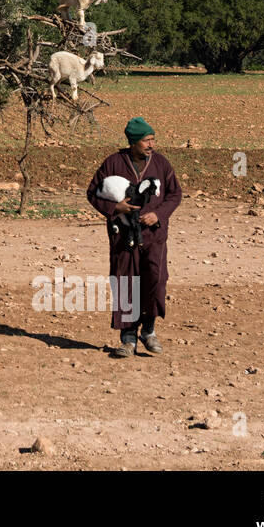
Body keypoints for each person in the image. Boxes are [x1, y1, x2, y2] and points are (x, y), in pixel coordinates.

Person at [85, 117, 182, 358]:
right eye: (146, 140)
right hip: (123, 237)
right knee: (126, 282)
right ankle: (128, 339)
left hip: (154, 236)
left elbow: (175, 194)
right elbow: (93, 192)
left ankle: (148, 331)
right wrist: (115, 209)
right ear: (133, 142)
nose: (152, 144)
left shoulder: (161, 164)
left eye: (153, 139)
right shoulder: (113, 163)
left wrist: (158, 215)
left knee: (155, 279)